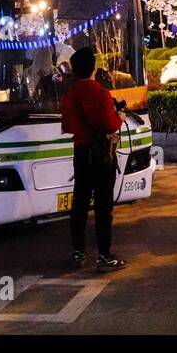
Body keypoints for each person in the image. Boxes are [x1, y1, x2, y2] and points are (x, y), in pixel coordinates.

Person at [61, 46, 125, 270]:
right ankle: (104, 256)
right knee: (103, 205)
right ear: (94, 68)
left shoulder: (70, 94)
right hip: (100, 153)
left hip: (81, 152)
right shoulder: (101, 93)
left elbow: (68, 125)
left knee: (79, 202)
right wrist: (120, 117)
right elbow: (110, 124)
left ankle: (78, 253)